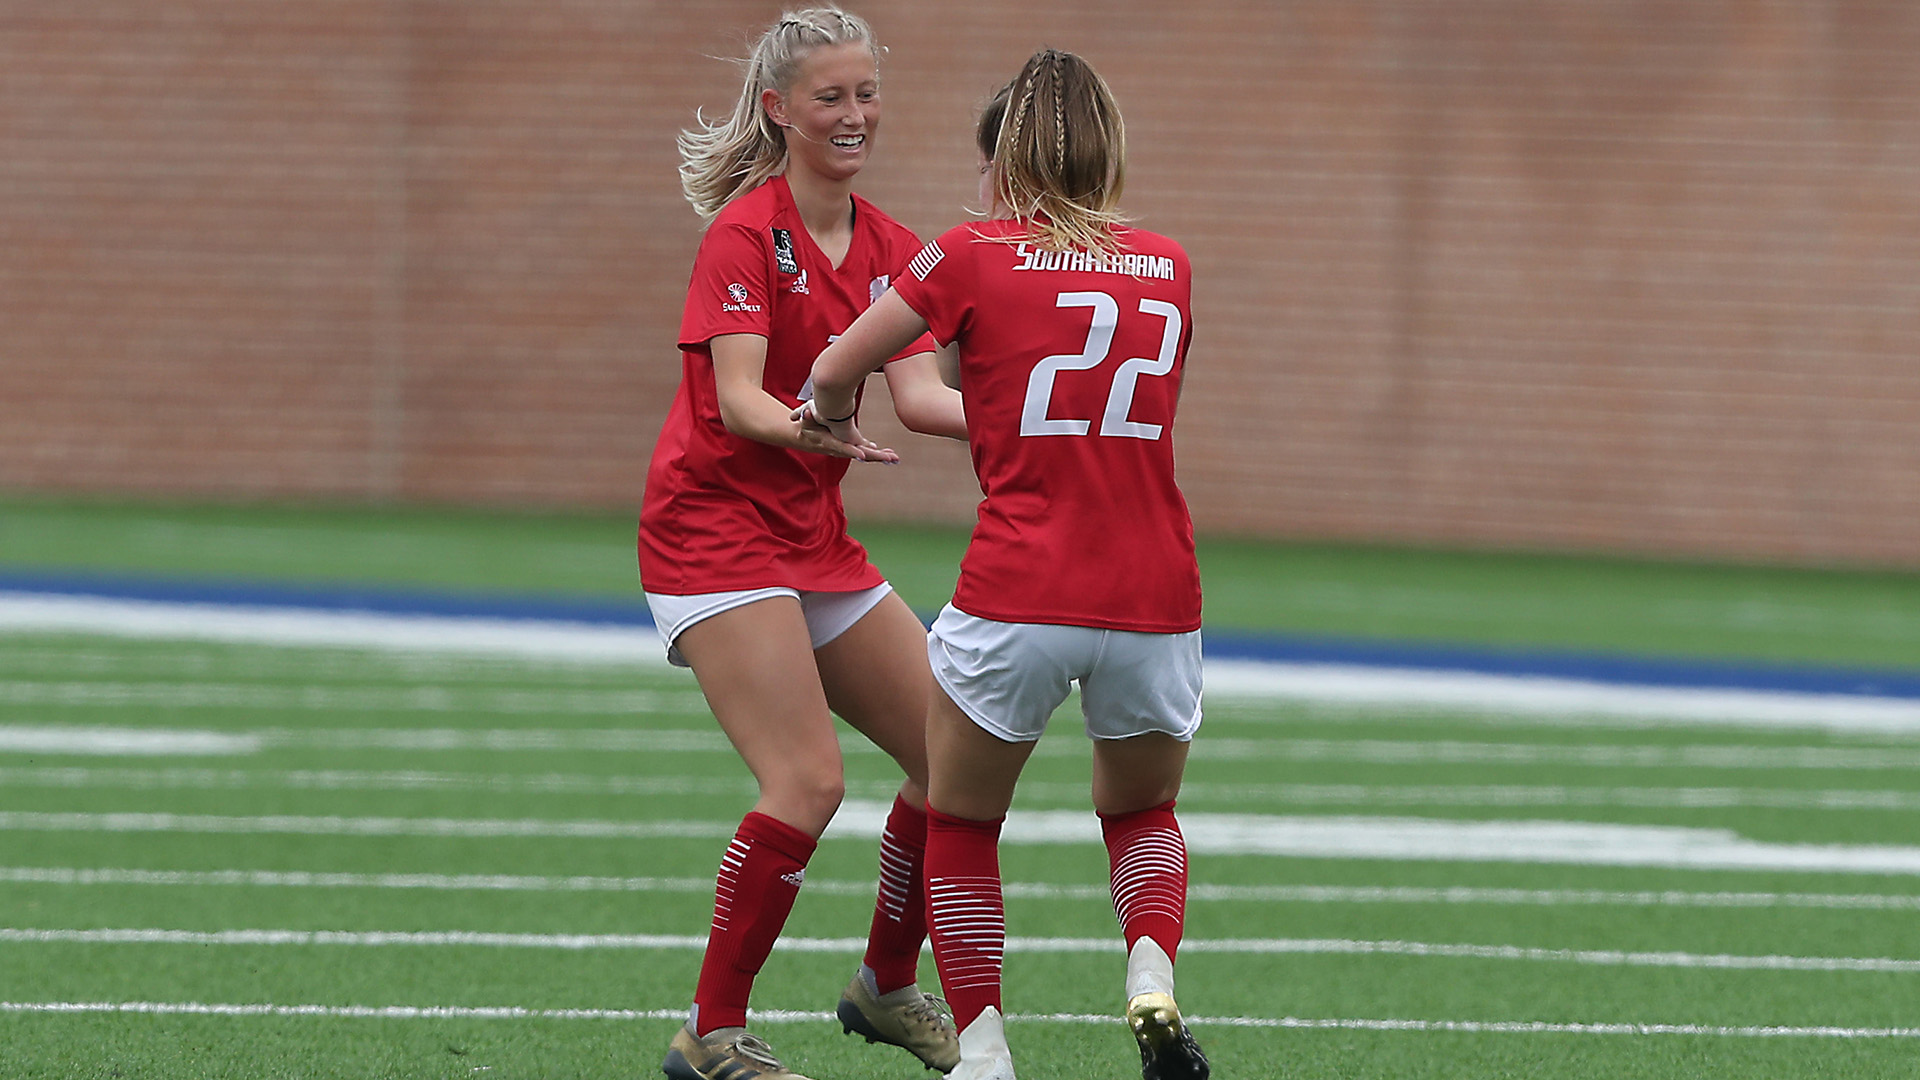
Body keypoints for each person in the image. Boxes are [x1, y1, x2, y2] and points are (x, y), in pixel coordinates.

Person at [798, 48, 1211, 1080]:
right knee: (1143, 813)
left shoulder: (971, 252)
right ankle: (1150, 972)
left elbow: (836, 363)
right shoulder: (1169, 261)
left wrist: (833, 423)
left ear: (1008, 158)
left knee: (964, 818)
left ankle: (982, 1051)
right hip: (1156, 589)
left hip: (1020, 587)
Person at [638, 9, 967, 1080]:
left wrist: (1035, 422)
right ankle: (710, 1033)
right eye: (832, 97)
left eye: (866, 93)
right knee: (807, 782)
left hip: (814, 543)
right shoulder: (744, 234)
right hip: (713, 536)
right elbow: (738, 402)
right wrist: (815, 426)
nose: (856, 115)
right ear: (780, 109)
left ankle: (884, 984)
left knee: (953, 758)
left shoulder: (890, 247)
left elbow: (919, 397)